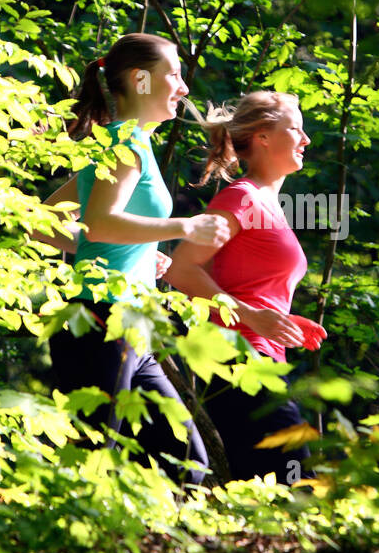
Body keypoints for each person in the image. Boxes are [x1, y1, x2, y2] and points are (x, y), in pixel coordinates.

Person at [30, 32, 230, 485]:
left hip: (131, 326)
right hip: (99, 323)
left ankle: (144, 549)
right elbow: (98, 223)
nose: (183, 87)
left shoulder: (132, 143)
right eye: (174, 75)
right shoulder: (120, 142)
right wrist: (181, 227)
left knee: (187, 464)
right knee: (91, 465)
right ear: (141, 81)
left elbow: (45, 225)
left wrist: (138, 248)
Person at [164, 90, 328, 482]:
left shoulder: (267, 203)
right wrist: (253, 316)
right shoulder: (241, 198)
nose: (306, 139)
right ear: (263, 136)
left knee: (264, 481)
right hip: (236, 355)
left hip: (262, 355)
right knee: (295, 476)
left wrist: (282, 320)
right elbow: (180, 269)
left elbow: (248, 283)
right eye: (296, 129)